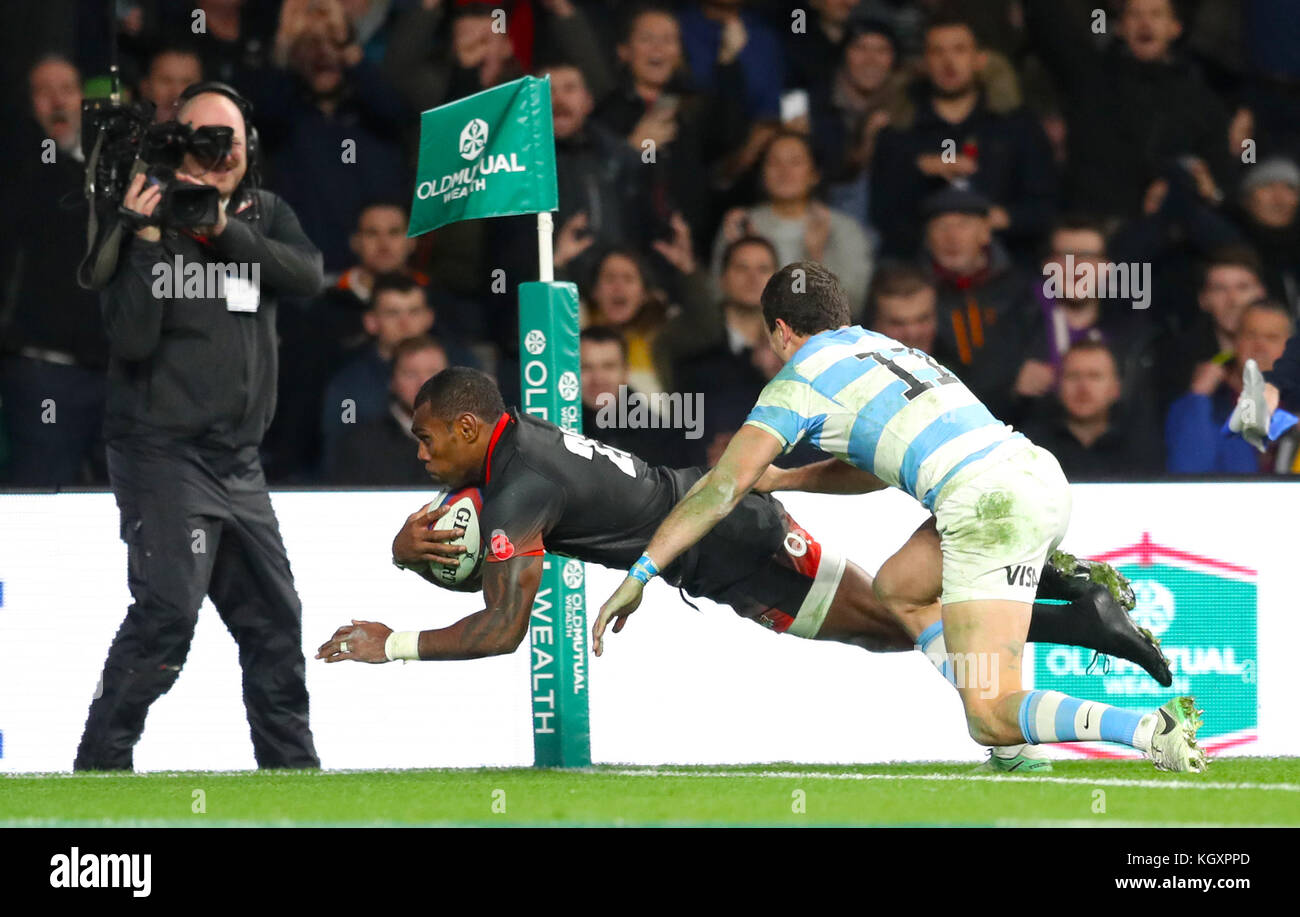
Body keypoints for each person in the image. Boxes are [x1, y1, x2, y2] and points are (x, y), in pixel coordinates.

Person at [315, 367, 1170, 774]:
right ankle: (1068, 615)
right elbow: (483, 541)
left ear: (469, 431)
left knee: (895, 624)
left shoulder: (516, 492)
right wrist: (403, 548)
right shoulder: (515, 447)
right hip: (724, 525)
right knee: (895, 619)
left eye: (427, 440)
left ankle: (1070, 620)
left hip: (727, 548)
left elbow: (503, 631)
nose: (420, 454)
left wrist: (393, 643)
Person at [594, 262, 1207, 773]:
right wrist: (789, 480)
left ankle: (1149, 728)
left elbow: (721, 488)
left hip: (984, 506)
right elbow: (870, 465)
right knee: (898, 588)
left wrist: (641, 572)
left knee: (988, 713)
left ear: (780, 330)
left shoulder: (798, 378)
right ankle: (1025, 743)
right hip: (1033, 472)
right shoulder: (883, 346)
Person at [74, 83, 323, 771]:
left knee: (275, 623)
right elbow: (131, 337)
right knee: (167, 615)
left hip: (238, 461)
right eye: (204, 139)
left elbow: (306, 275)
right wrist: (146, 234)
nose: (220, 154)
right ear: (177, 142)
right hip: (161, 451)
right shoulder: (141, 212)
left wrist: (221, 228)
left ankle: (295, 780)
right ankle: (99, 767)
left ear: (249, 148)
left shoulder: (264, 214)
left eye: (231, 139)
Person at [0, 55, 108, 486]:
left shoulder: (112, 169)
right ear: (29, 106)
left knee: (125, 508)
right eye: (44, 92)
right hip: (44, 373)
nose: (57, 101)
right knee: (39, 502)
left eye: (67, 89)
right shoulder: (19, 167)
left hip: (118, 373)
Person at [869, 14, 1055, 262]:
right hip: (917, 266)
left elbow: (1045, 208)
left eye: (959, 50)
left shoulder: (1016, 125)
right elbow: (880, 214)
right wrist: (917, 169)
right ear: (924, 63)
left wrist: (995, 218)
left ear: (980, 59)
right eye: (937, 52)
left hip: (1005, 264)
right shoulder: (900, 130)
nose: (949, 62)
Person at [713, 130, 874, 317]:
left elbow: (855, 304)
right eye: (774, 163)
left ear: (815, 174)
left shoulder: (843, 229)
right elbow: (716, 295)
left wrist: (816, 258)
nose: (784, 171)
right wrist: (742, 253)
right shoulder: (740, 224)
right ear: (762, 173)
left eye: (795, 162)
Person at [1167, 301, 1294, 473]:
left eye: (1271, 338)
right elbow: (1188, 473)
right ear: (1234, 342)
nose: (1259, 347)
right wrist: (1198, 398)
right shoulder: (1202, 403)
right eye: (1250, 335)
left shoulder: (1294, 406)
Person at [1022, 342, 1163, 477]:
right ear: (1058, 386)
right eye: (1073, 376)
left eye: (1094, 376)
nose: (1083, 387)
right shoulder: (1030, 447)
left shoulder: (1142, 446)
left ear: (1116, 388)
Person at [325, 335, 448, 486]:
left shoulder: (469, 441)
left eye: (433, 373)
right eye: (411, 374)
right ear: (392, 381)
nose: (423, 383)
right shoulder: (362, 445)